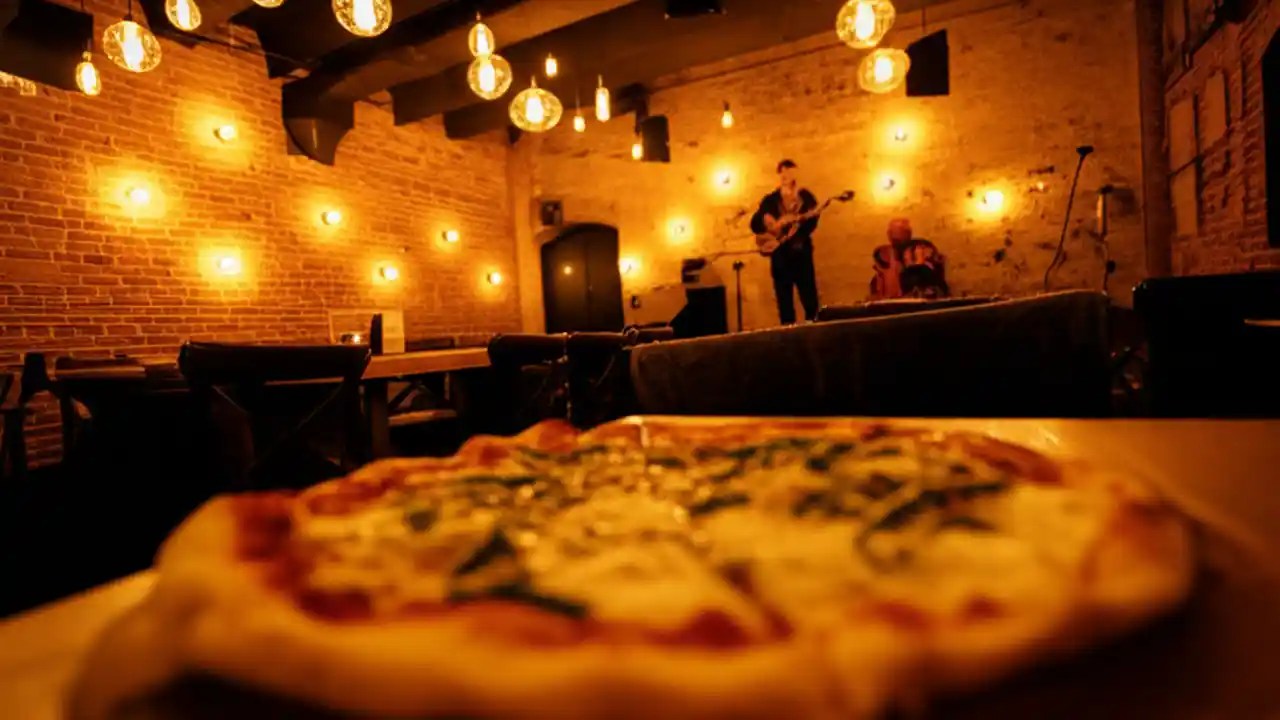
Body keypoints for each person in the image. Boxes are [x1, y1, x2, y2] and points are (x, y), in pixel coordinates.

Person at [750, 160, 821, 324]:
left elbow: (812, 221)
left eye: (788, 171)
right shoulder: (770, 200)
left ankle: (815, 334)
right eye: (781, 171)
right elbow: (754, 224)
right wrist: (765, 220)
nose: (785, 175)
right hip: (780, 259)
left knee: (810, 300)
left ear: (795, 173)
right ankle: (789, 338)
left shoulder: (805, 197)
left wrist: (796, 224)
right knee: (784, 305)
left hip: (801, 255)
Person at [870, 218, 950, 300]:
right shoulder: (887, 255)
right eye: (890, 233)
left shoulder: (919, 248)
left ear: (908, 233)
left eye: (897, 232)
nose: (891, 235)